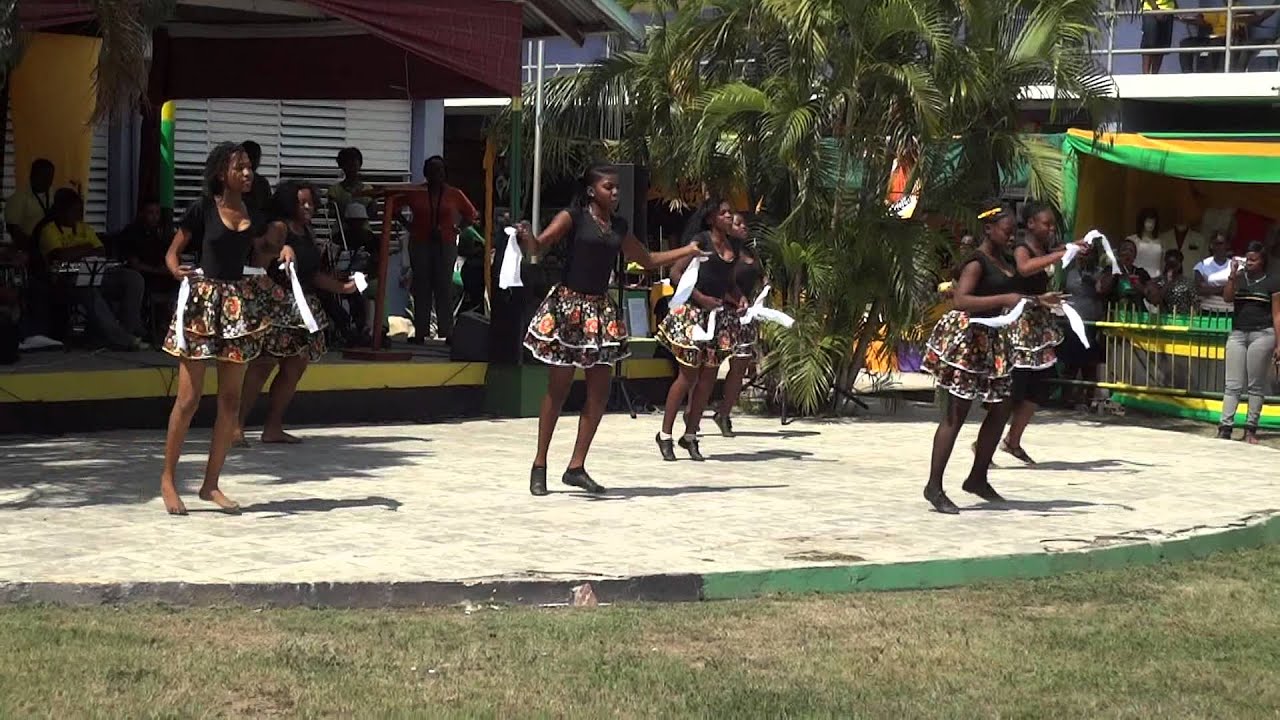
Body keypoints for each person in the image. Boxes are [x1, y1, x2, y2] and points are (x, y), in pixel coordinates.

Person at [517, 164, 702, 496]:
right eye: (608, 188)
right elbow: (539, 247)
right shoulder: (572, 217)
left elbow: (647, 259)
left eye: (617, 188)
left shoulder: (618, 227)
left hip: (600, 314)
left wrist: (687, 251)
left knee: (599, 392)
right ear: (592, 191)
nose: (615, 193)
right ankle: (540, 463)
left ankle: (576, 466)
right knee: (557, 390)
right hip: (569, 309)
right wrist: (527, 236)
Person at [159, 142, 292, 516]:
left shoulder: (255, 212)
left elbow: (263, 253)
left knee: (230, 401)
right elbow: (173, 251)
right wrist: (174, 269)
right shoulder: (202, 209)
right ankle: (168, 479)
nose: (248, 173)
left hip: (237, 306)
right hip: (203, 303)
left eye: (250, 167)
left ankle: (210, 484)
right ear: (222, 173)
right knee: (188, 399)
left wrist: (283, 251)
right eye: (240, 167)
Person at [922, 204, 1063, 514]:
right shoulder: (977, 262)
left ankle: (977, 477)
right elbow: (961, 300)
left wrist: (1040, 299)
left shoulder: (1005, 261)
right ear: (988, 229)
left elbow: (1016, 294)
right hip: (968, 341)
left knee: (1001, 408)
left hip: (993, 342)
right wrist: (1004, 299)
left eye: (1014, 232)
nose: (1012, 237)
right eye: (1006, 231)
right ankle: (934, 486)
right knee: (955, 414)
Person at [238, 181, 358, 445]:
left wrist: (344, 287)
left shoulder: (306, 231)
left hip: (302, 308)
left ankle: (273, 427)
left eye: (311, 202)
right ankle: (236, 427)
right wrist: (278, 249)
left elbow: (312, 275)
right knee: (262, 366)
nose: (308, 207)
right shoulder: (278, 228)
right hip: (276, 306)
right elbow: (259, 265)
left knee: (294, 368)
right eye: (301, 202)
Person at [999, 203, 1088, 465]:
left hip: (1039, 326)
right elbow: (1025, 268)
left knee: (1037, 388)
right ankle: (985, 443)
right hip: (1019, 326)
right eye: (1046, 224)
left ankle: (1012, 441)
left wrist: (1075, 245)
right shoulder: (1021, 249)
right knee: (1014, 388)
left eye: (1052, 225)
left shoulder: (1046, 249)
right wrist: (1058, 257)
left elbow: (1059, 252)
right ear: (1031, 225)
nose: (1050, 229)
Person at [655, 199, 742, 461]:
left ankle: (691, 435)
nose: (729, 216)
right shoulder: (700, 241)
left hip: (716, 318)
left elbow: (729, 282)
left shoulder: (734, 246)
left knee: (707, 380)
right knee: (688, 376)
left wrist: (739, 297)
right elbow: (675, 273)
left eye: (730, 213)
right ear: (710, 219)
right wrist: (700, 297)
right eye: (723, 213)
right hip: (692, 315)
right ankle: (665, 434)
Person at [38, 188, 149, 351]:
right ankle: (121, 340)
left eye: (80, 210)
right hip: (66, 281)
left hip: (95, 273)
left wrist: (76, 251)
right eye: (74, 211)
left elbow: (101, 251)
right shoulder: (49, 230)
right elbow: (60, 256)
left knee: (133, 279)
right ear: (62, 210)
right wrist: (86, 247)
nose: (79, 214)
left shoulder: (84, 228)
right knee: (88, 288)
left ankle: (126, 332)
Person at [406, 155, 478, 344]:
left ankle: (448, 332)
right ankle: (420, 332)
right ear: (425, 172)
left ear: (444, 173)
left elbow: (472, 215)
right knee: (421, 286)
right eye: (431, 170)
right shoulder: (416, 192)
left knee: (444, 287)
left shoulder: (454, 194)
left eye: (439, 170)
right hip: (420, 242)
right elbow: (394, 207)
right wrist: (408, 225)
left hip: (445, 243)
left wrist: (458, 229)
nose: (436, 174)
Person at [1218, 242, 1280, 444]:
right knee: (1232, 384)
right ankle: (1225, 427)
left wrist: (1279, 344)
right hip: (1238, 333)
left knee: (1255, 385)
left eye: (1254, 259)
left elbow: (1277, 314)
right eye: (1248, 259)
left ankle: (1250, 429)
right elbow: (1227, 298)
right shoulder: (1239, 278)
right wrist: (1232, 275)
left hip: (1262, 334)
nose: (1250, 263)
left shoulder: (1272, 281)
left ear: (1262, 261)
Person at [711, 211, 763, 437]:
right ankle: (693, 410)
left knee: (740, 365)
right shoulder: (724, 252)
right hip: (723, 313)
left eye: (744, 224)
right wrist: (734, 299)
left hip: (745, 315)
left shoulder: (749, 251)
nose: (742, 227)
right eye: (737, 224)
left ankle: (724, 413)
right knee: (710, 367)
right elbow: (718, 282)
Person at [1059, 245, 1116, 409]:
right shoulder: (1069, 272)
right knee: (1070, 363)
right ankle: (1066, 398)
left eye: (1086, 255)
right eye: (1080, 255)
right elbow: (1063, 290)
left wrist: (1095, 277)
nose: (1082, 258)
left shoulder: (1099, 273)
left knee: (1089, 364)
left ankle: (1089, 399)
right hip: (1071, 322)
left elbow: (1102, 289)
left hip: (1090, 323)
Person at [118, 197, 175, 295]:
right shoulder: (132, 233)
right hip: (140, 276)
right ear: (142, 214)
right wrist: (158, 271)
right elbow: (135, 264)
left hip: (161, 275)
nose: (154, 217)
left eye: (157, 213)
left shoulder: (159, 234)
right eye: (150, 213)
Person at [6, 158, 54, 253]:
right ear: (32, 176)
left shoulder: (53, 194)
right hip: (28, 251)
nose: (47, 180)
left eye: (50, 177)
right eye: (43, 176)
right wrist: (34, 247)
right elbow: (14, 230)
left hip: (51, 249)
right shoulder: (18, 198)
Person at [327, 147, 376, 221]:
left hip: (363, 230)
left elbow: (373, 214)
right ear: (342, 166)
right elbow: (332, 213)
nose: (351, 168)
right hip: (342, 230)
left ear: (360, 165)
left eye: (354, 164)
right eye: (348, 164)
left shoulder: (369, 190)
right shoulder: (334, 191)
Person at [1114, 238, 1164, 309]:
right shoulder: (1111, 271)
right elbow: (1100, 288)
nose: (1127, 253)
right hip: (1114, 314)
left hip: (1137, 314)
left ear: (1134, 256)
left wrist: (1141, 288)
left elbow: (1156, 300)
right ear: (1118, 253)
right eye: (1124, 250)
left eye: (1131, 251)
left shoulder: (1141, 273)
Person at [1194, 231, 1234, 311]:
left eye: (1221, 243)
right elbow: (1199, 290)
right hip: (1206, 310)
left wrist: (1210, 288)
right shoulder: (1201, 266)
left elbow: (1235, 291)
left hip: (1228, 311)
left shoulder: (1235, 266)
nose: (1217, 247)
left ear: (1227, 245)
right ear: (1211, 246)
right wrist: (1224, 288)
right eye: (1215, 244)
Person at [1155, 247, 1198, 314]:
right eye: (1170, 264)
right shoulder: (1159, 281)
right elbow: (1156, 300)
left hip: (1183, 319)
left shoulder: (1188, 283)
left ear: (1180, 264)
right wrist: (1167, 283)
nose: (1172, 266)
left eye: (1174, 264)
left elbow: (1194, 303)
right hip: (1164, 318)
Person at [1126, 208, 1165, 279]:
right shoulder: (1132, 240)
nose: (1150, 225)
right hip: (1137, 278)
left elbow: (1162, 262)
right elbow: (1126, 261)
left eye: (1153, 222)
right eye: (1148, 221)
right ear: (1142, 222)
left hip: (1157, 278)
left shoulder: (1160, 241)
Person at [1141, 0, 1177, 75]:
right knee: (1149, 43)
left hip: (1168, 10)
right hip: (1151, 9)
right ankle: (1145, 76)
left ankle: (1155, 75)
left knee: (1161, 44)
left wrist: (1178, 10)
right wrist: (1156, 9)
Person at [241, 140, 273, 215]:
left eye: (256, 157)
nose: (254, 161)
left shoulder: (262, 183)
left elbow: (269, 210)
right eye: (251, 157)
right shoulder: (233, 180)